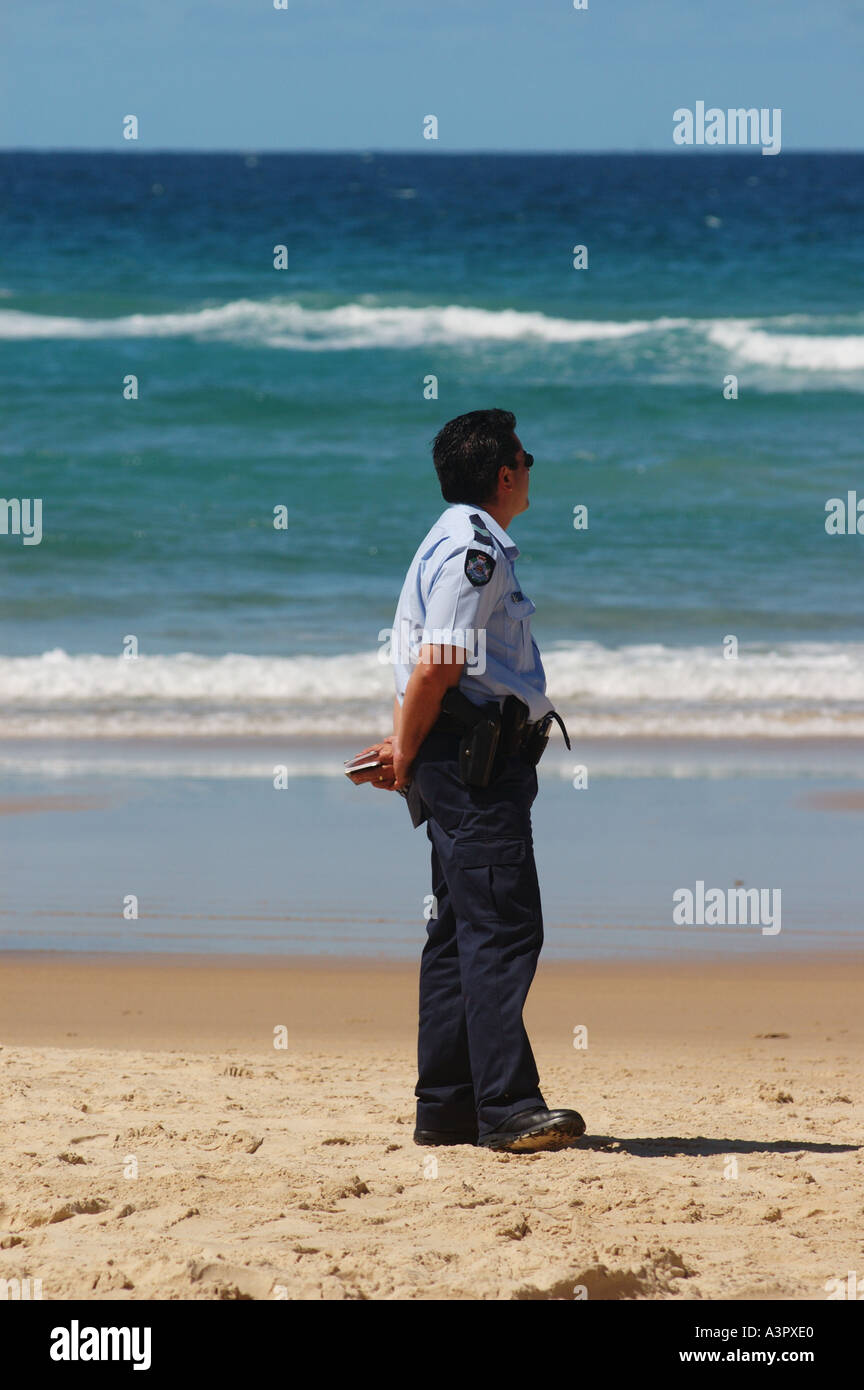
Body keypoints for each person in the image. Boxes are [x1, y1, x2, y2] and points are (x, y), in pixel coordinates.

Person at [365, 409, 585, 1154]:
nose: (532, 464)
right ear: (503, 474)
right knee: (503, 924)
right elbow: (438, 663)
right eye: (526, 455)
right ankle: (507, 1106)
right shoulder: (471, 548)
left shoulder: (456, 539)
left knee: (460, 929)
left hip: (460, 754)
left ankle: (450, 1108)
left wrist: (407, 746)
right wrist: (408, 749)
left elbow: (424, 661)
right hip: (475, 762)